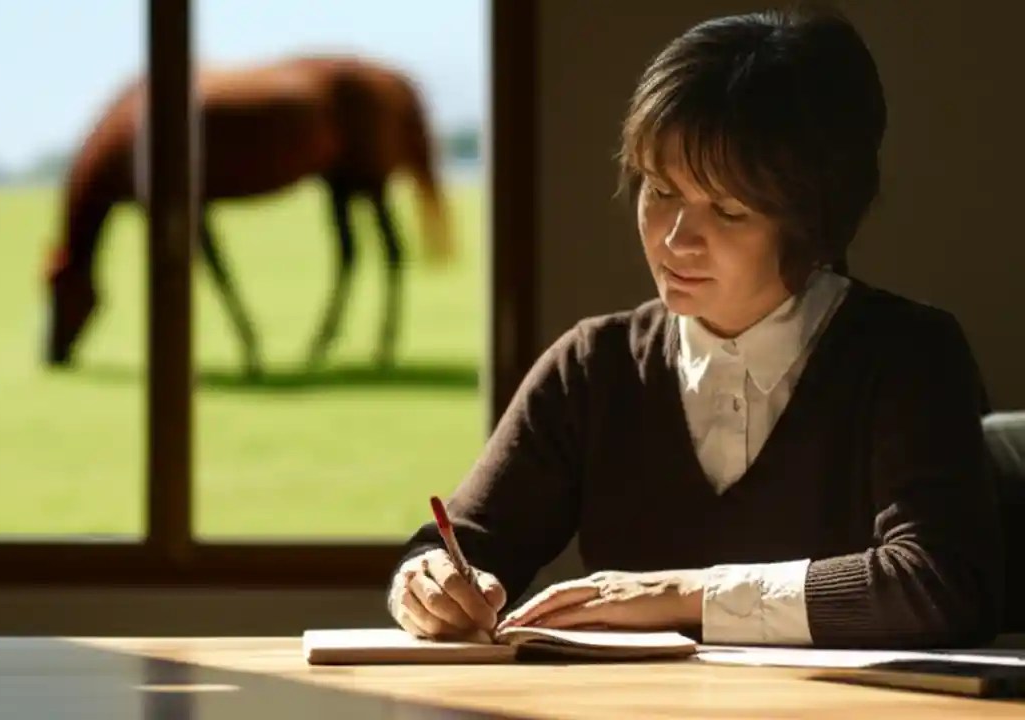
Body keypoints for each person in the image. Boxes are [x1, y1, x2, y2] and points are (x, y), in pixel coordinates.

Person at [388, 5, 1004, 649]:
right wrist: (426, 583)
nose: (676, 239)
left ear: (816, 218)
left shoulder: (908, 356)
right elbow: (465, 542)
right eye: (661, 190)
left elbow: (943, 583)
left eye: (730, 211)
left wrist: (677, 597)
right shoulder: (595, 365)